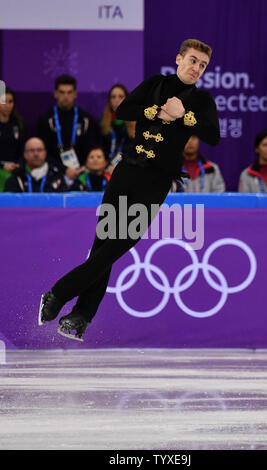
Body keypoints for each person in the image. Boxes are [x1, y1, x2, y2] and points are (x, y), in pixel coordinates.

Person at [38, 38, 220, 341]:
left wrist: (184, 116)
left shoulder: (201, 101)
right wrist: (157, 112)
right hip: (126, 173)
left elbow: (212, 135)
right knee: (103, 244)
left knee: (120, 243)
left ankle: (59, 293)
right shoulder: (155, 84)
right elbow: (124, 110)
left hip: (157, 182)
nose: (197, 68)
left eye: (202, 65)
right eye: (192, 61)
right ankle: (80, 318)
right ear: (179, 59)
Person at [37, 74, 102, 186]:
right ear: (55, 94)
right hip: (53, 173)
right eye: (62, 92)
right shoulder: (46, 120)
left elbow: (92, 148)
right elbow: (43, 152)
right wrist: (64, 169)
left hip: (82, 172)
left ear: (75, 94)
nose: (66, 96)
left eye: (69, 92)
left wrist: (83, 168)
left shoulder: (85, 119)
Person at [100, 84, 135, 174]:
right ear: (109, 101)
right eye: (113, 97)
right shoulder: (102, 124)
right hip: (105, 169)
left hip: (127, 168)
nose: (116, 100)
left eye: (120, 96)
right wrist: (106, 166)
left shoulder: (136, 125)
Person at [0, 87, 26, 191]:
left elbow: (23, 149)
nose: (7, 106)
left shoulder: (19, 123)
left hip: (15, 169)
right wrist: (2, 165)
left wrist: (18, 165)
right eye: (3, 102)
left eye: (10, 102)